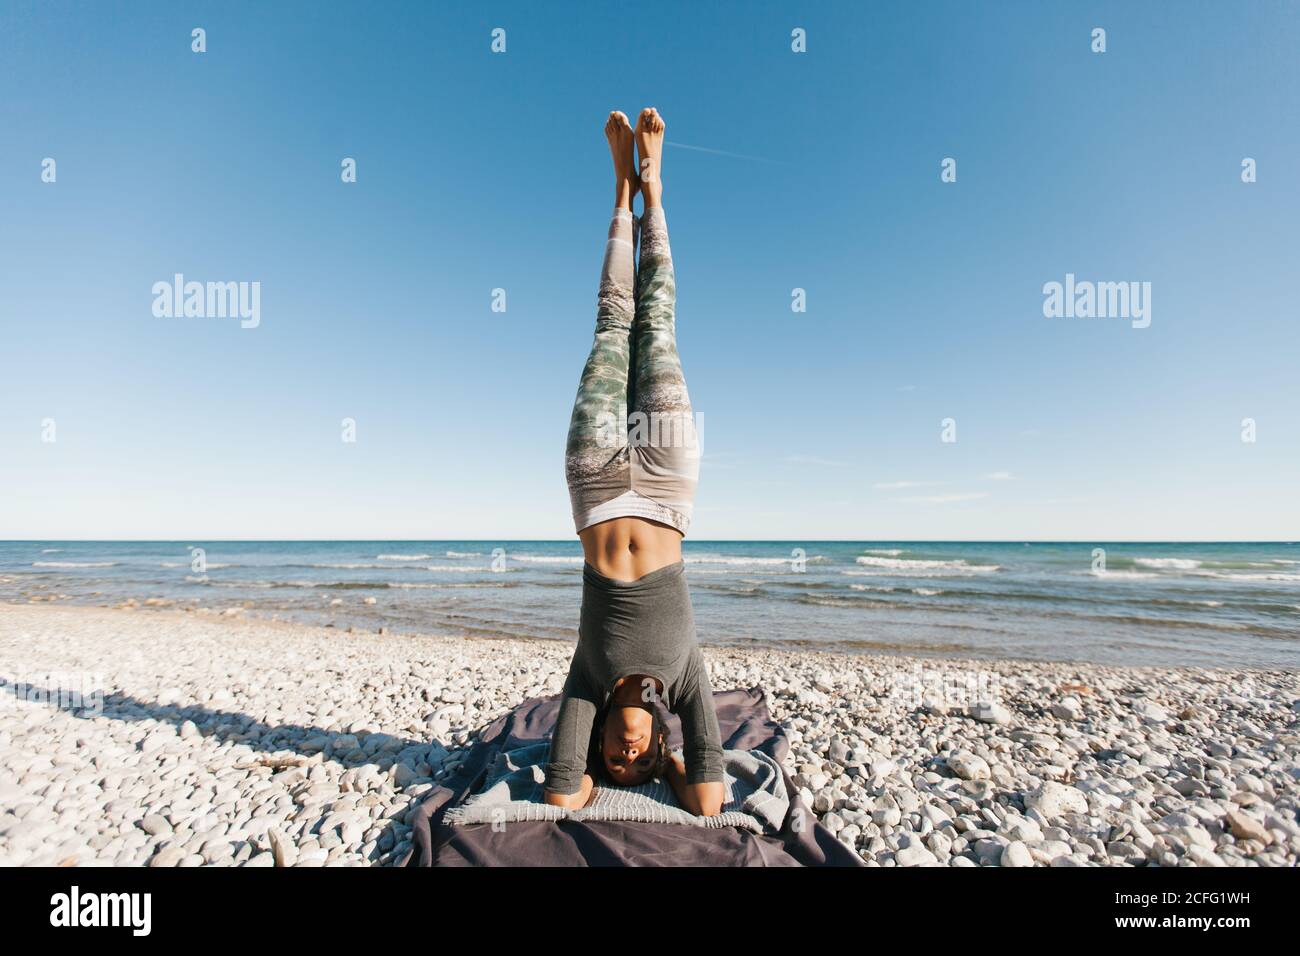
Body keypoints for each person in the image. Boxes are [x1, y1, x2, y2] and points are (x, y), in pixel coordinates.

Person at [542, 108, 724, 817]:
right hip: (667, 481)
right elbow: (708, 802)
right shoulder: (684, 681)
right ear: (657, 743)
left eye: (614, 763)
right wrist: (676, 770)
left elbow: (562, 794)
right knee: (659, 320)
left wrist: (587, 785)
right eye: (640, 759)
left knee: (612, 320)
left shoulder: (588, 680)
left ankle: (619, 194)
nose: (626, 757)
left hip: (593, 485)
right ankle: (655, 189)